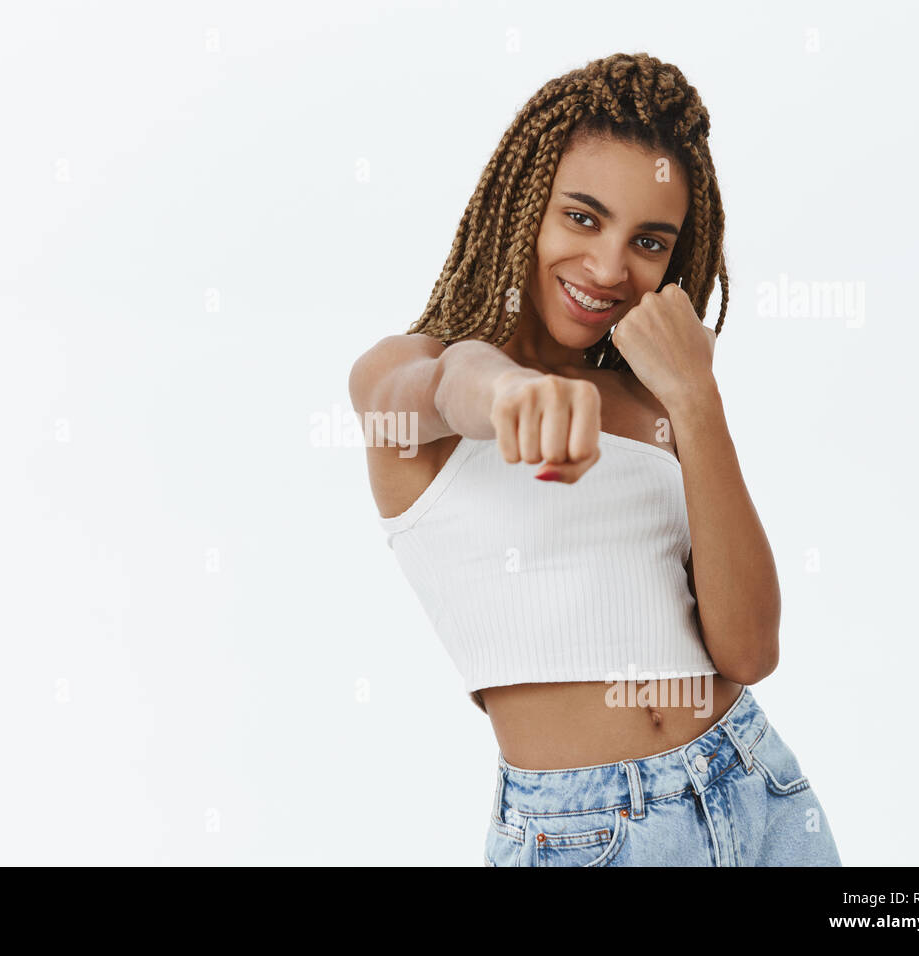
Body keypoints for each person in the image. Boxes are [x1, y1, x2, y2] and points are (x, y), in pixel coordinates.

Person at [348, 53, 841, 866]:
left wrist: (697, 399)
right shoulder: (412, 377)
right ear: (521, 203)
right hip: (588, 832)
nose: (610, 268)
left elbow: (750, 652)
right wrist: (507, 393)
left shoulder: (659, 403)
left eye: (648, 241)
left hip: (762, 791)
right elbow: (439, 385)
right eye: (582, 218)